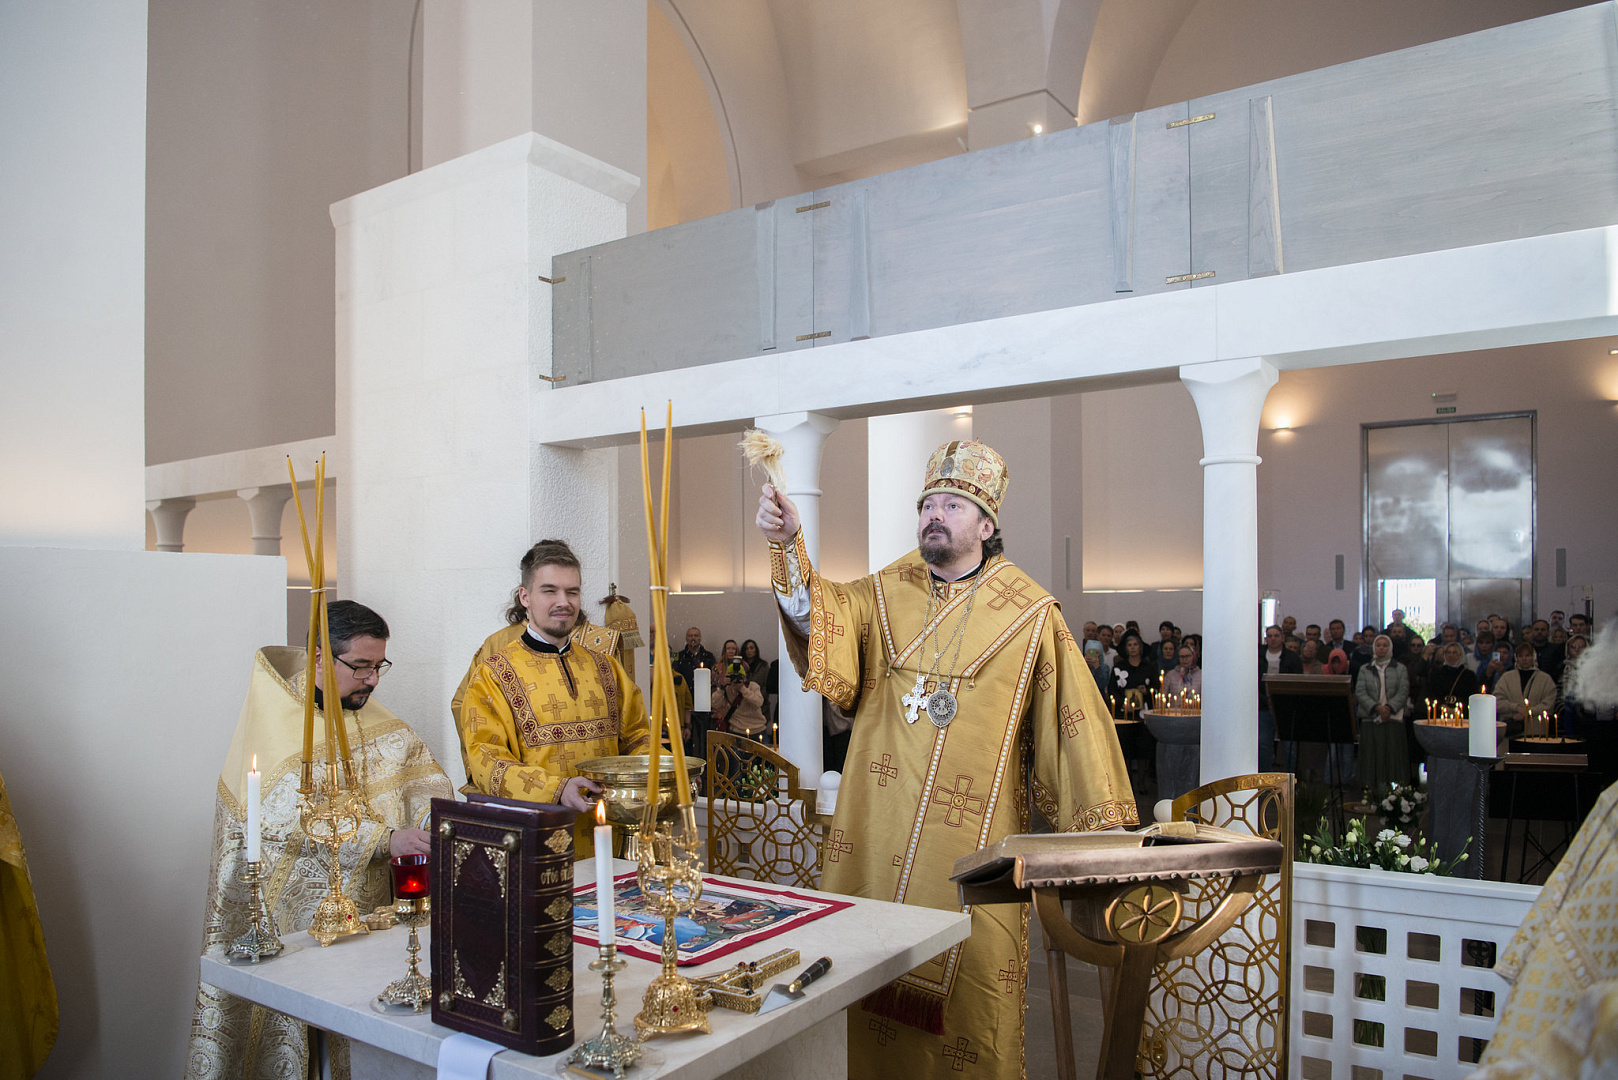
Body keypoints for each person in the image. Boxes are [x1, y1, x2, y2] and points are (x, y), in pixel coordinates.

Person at [755, 438, 1134, 1080]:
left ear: (986, 525)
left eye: (953, 504)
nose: (934, 513)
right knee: (860, 973)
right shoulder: (883, 592)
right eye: (928, 502)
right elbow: (820, 618)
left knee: (972, 995)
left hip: (977, 854)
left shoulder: (1031, 614)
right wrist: (789, 545)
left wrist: (1102, 848)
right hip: (876, 832)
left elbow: (1076, 723)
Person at [185, 601, 456, 1080]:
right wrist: (382, 838)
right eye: (361, 667)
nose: (372, 680)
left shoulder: (383, 723)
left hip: (378, 915)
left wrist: (429, 826)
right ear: (316, 659)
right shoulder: (277, 727)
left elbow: (425, 781)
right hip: (301, 916)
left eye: (379, 667)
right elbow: (275, 816)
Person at [454, 540, 651, 855]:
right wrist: (557, 790)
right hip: (535, 844)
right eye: (550, 591)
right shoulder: (492, 675)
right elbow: (486, 761)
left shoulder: (606, 667)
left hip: (609, 841)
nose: (564, 602)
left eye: (572, 592)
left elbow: (639, 737)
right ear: (525, 597)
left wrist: (655, 777)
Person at [1355, 634, 1410, 793]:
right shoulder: (1365, 669)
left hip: (1393, 717)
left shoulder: (1400, 668)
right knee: (1372, 756)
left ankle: (1394, 793)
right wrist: (1377, 707)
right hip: (1371, 717)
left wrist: (1389, 708)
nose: (1381, 648)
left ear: (1390, 648)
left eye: (1384, 645)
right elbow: (1360, 691)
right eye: (1378, 645)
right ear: (1374, 647)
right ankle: (1371, 792)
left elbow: (1403, 690)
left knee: (1392, 755)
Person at [1492, 642, 1558, 736]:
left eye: (1527, 655)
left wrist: (1528, 712)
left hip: (1537, 732)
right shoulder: (1506, 677)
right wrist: (1516, 707)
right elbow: (1496, 701)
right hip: (1512, 733)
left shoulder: (1545, 679)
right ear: (1516, 658)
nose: (1524, 659)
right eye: (1520, 656)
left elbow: (1549, 704)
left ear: (1533, 657)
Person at [712, 656, 767, 740]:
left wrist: (743, 689)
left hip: (757, 729)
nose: (735, 680)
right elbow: (714, 703)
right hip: (736, 731)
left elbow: (758, 703)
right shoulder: (726, 689)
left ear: (744, 677)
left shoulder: (752, 686)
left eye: (739, 677)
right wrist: (722, 688)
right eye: (732, 677)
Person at [1426, 642, 1480, 709]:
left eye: (1454, 652)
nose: (1451, 655)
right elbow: (1432, 694)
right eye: (1448, 652)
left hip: (1462, 712)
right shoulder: (1437, 674)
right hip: (1441, 711)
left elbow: (1472, 697)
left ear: (1460, 655)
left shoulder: (1469, 676)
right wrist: (1442, 706)